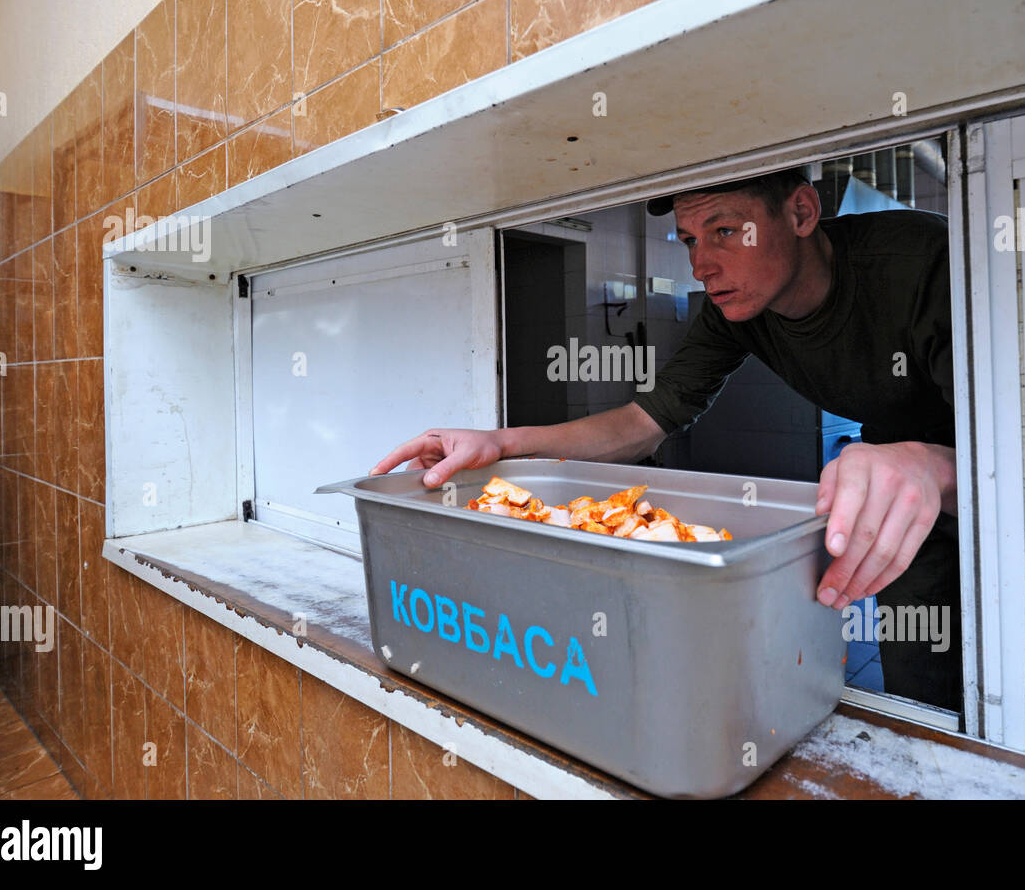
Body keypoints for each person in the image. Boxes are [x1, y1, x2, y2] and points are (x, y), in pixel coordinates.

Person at [371, 166, 963, 712]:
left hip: (990, 465)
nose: (700, 265)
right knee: (925, 676)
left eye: (725, 230)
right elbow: (641, 423)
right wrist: (501, 444)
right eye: (689, 241)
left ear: (802, 213)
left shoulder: (920, 264)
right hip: (908, 496)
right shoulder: (736, 311)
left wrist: (934, 465)